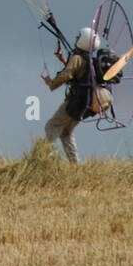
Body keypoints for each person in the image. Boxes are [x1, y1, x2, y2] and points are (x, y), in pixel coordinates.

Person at [42, 27, 113, 164]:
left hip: (76, 101)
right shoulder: (90, 60)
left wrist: (52, 83)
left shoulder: (77, 58)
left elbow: (67, 74)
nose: (75, 39)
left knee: (52, 126)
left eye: (78, 36)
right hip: (86, 105)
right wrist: (63, 60)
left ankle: (44, 159)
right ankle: (75, 165)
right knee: (66, 132)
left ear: (84, 40)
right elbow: (79, 74)